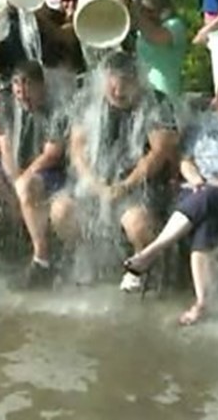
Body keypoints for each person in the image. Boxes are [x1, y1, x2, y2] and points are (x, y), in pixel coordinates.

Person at [123, 70, 218, 325]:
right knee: (205, 222)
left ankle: (152, 252)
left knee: (209, 197)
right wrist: (196, 180)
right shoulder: (203, 125)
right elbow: (184, 160)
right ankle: (202, 303)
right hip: (197, 193)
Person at [50, 51, 180, 293]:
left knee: (136, 222)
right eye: (113, 85)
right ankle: (84, 255)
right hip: (96, 183)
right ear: (104, 80)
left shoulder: (156, 102)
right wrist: (95, 184)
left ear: (137, 81)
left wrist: (125, 186)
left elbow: (158, 152)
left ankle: (140, 269)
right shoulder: (88, 101)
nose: (119, 92)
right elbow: (77, 149)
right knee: (61, 210)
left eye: (125, 85)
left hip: (140, 186)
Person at [0, 61, 67, 285]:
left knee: (26, 186)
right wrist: (15, 178)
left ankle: (41, 260)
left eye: (27, 85)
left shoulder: (57, 110)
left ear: (41, 86)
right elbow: (5, 148)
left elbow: (52, 154)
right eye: (17, 84)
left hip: (48, 175)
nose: (21, 92)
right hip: (15, 173)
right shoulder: (8, 106)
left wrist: (22, 181)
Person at [129, 0, 188, 100]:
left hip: (166, 96)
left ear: (164, 10)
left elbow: (156, 37)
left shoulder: (175, 26)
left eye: (150, 10)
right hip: (144, 93)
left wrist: (136, 14)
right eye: (142, 9)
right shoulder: (143, 30)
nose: (145, 15)